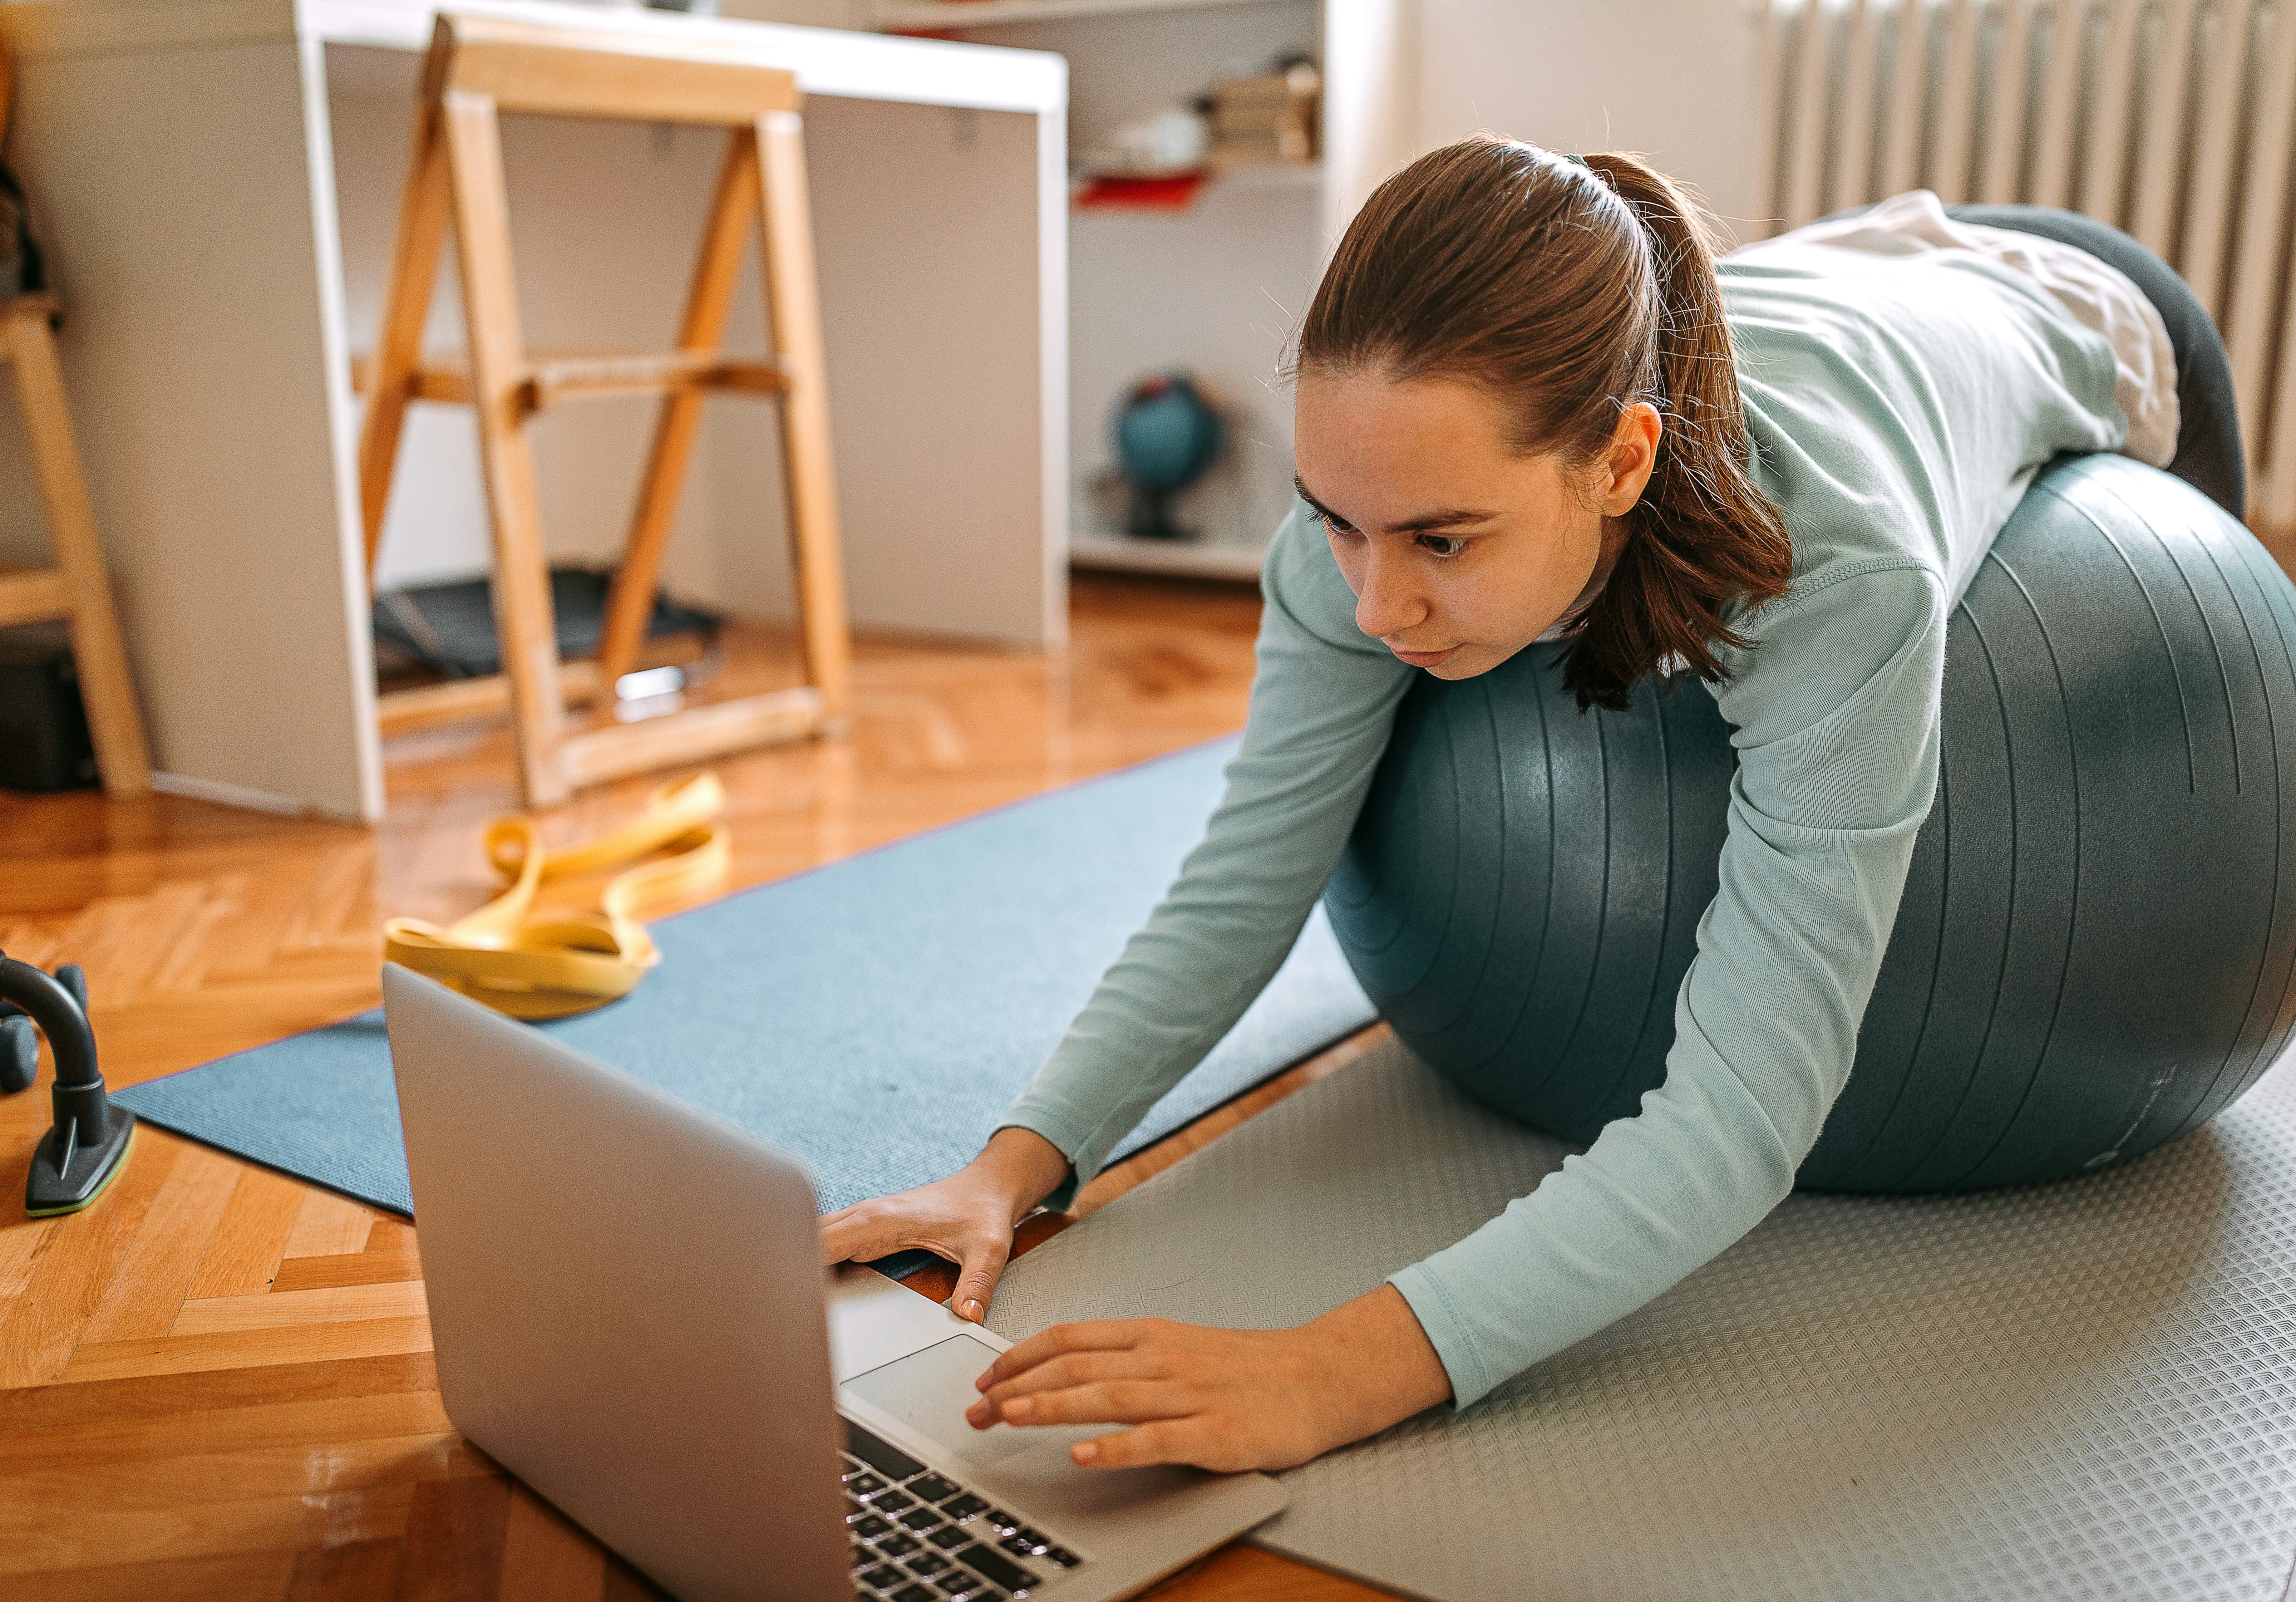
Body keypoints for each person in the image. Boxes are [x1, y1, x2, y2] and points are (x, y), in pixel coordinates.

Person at [820, 138, 2192, 1474]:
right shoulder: (1360, 529)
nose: (1374, 602)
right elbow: (1247, 872)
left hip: (2072, 305)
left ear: (1620, 463)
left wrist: (1334, 1369)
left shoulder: (1840, 579)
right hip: (1831, 287)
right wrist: (1010, 1164)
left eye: (1441, 539)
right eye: (1338, 521)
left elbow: (1741, 1119)